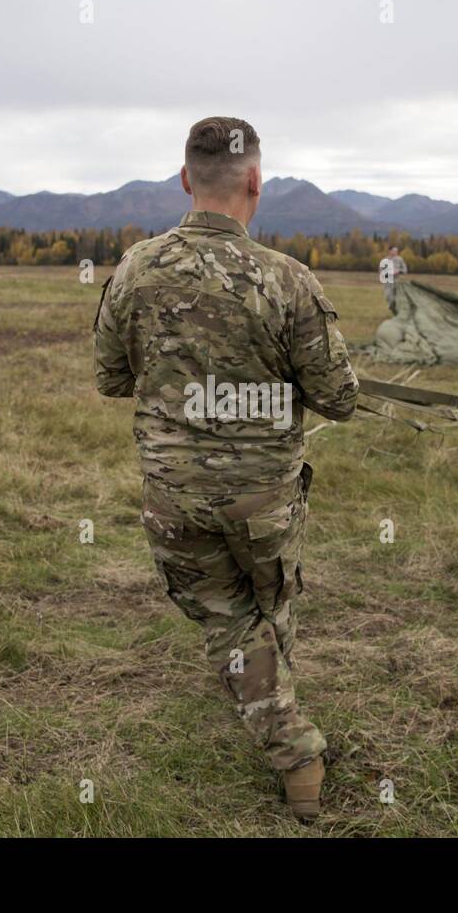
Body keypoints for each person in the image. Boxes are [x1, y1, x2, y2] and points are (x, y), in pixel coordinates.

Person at [93, 117, 358, 819]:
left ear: (186, 179)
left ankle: (280, 727)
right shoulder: (288, 280)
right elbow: (339, 397)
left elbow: (111, 379)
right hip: (264, 499)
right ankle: (295, 750)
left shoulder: (135, 269)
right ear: (256, 184)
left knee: (230, 620)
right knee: (266, 610)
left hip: (175, 499)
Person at [380, 245, 408, 315]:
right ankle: (392, 308)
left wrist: (398, 271)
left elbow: (405, 270)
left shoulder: (400, 259)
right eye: (394, 251)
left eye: (397, 251)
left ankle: (397, 313)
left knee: (396, 298)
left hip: (397, 280)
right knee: (388, 296)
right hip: (387, 281)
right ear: (390, 251)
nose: (396, 252)